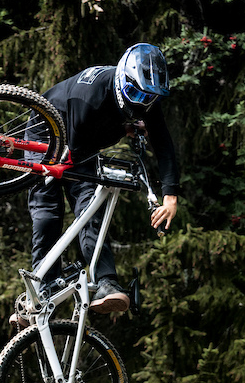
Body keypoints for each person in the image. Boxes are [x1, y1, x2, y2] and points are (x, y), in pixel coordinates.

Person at [27, 42, 180, 315]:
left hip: (83, 143)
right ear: (123, 80)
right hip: (50, 128)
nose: (140, 103)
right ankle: (42, 286)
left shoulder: (147, 100)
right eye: (134, 93)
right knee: (48, 209)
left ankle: (107, 282)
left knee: (90, 210)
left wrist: (170, 197)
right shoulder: (93, 94)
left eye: (148, 98)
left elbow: (165, 146)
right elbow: (73, 148)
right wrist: (125, 126)